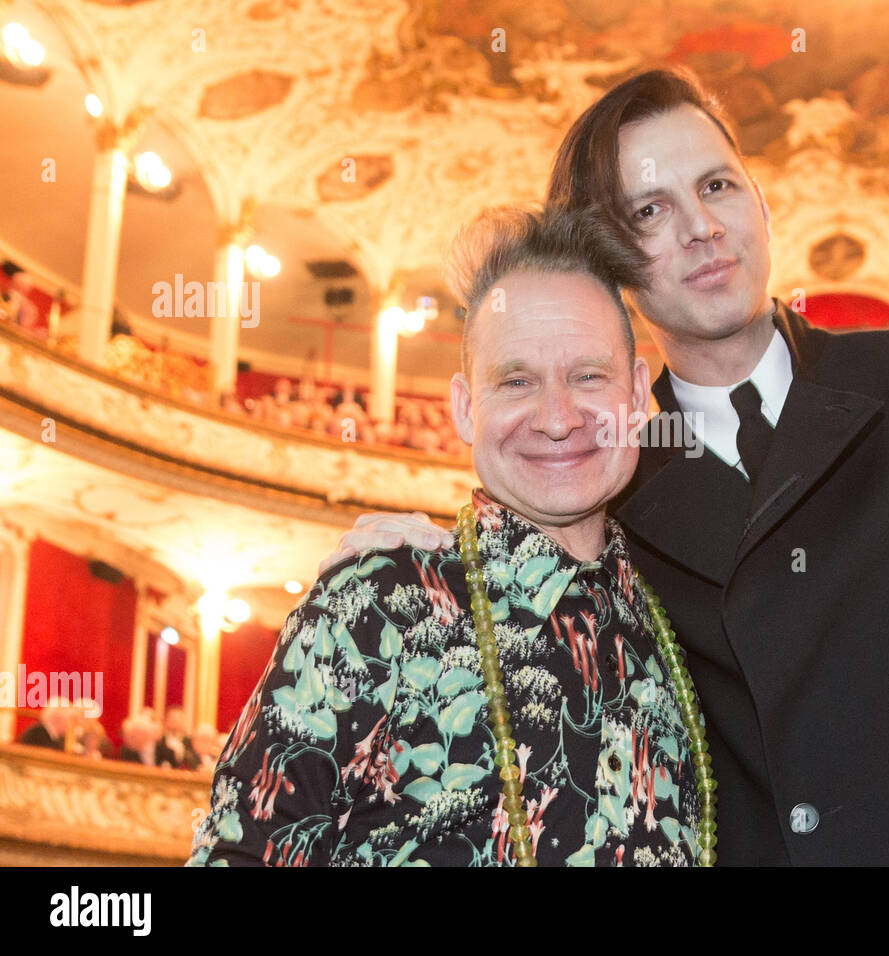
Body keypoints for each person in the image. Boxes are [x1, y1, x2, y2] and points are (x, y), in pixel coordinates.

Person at [322, 66, 889, 865]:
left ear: (762, 202)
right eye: (649, 211)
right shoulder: (610, 478)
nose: (701, 227)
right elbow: (533, 623)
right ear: (610, 265)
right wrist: (428, 557)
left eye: (717, 186)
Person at [189, 205, 709, 867]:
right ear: (465, 408)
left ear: (636, 396)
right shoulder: (375, 606)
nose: (557, 418)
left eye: (588, 376)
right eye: (516, 381)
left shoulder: (679, 622)